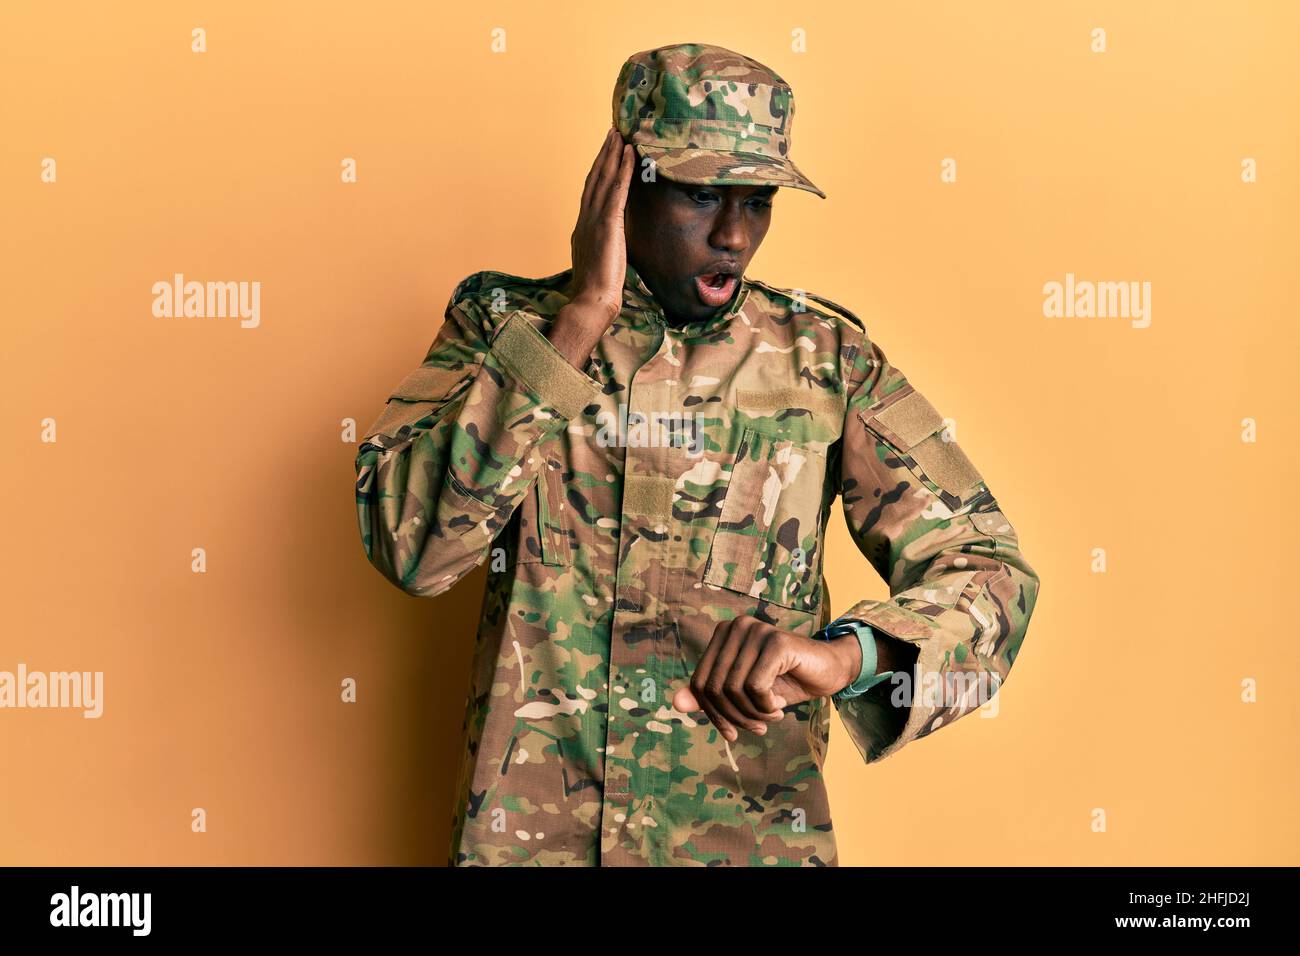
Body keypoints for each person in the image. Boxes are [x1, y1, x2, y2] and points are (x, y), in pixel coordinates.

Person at [353, 42, 1040, 866]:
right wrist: (581, 318)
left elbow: (991, 569)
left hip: (745, 845)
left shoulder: (827, 363)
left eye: (757, 201)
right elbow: (413, 548)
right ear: (621, 180)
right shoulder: (504, 330)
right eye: (702, 194)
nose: (733, 234)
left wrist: (845, 656)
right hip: (535, 847)